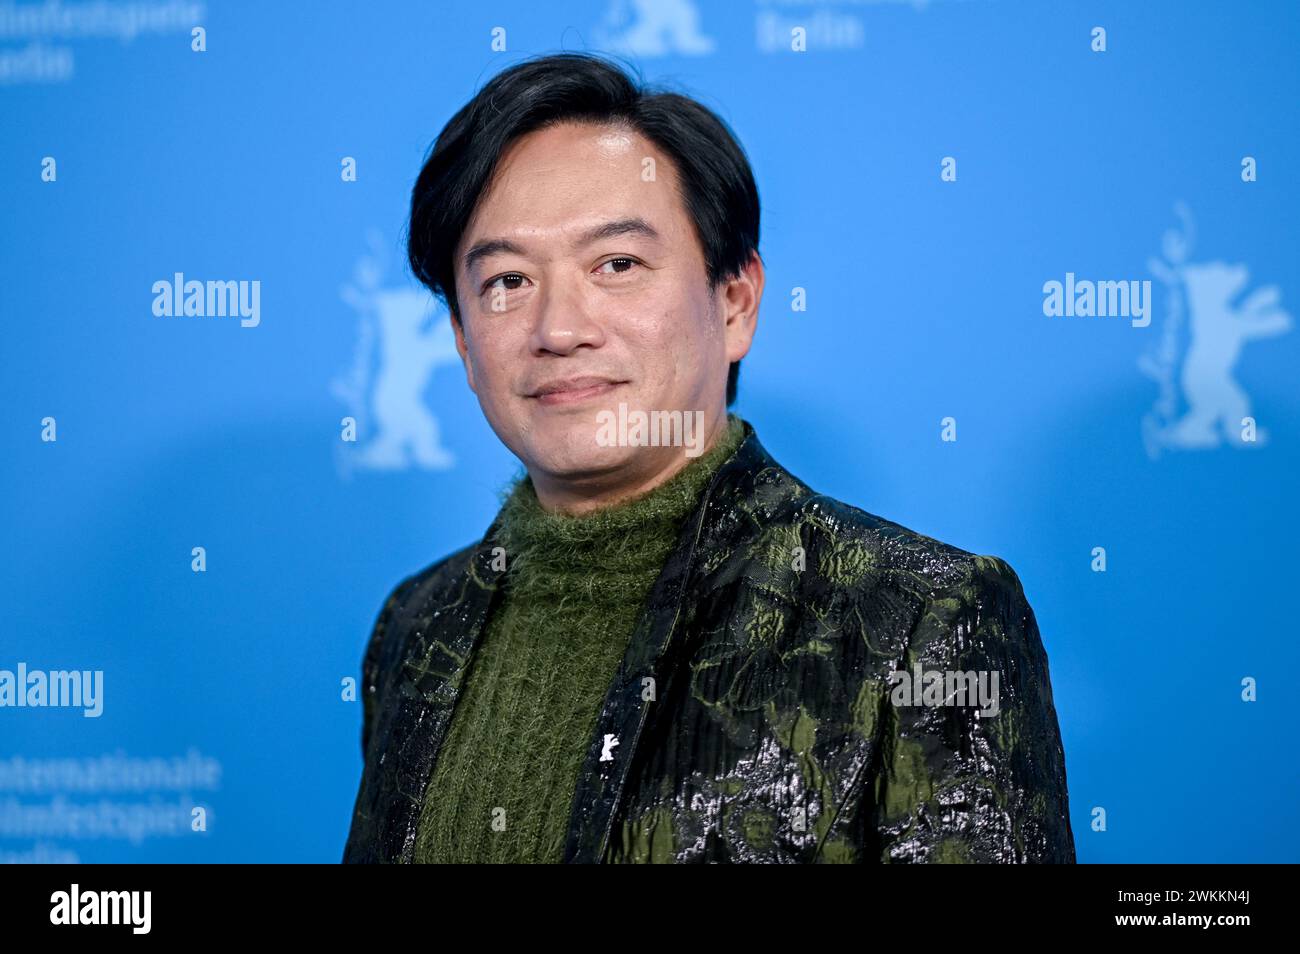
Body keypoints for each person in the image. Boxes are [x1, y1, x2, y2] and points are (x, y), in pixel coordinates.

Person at [342, 52, 1075, 863]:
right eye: (506, 281)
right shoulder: (417, 625)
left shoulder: (915, 621)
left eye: (616, 265)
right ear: (463, 343)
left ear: (736, 303)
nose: (558, 328)